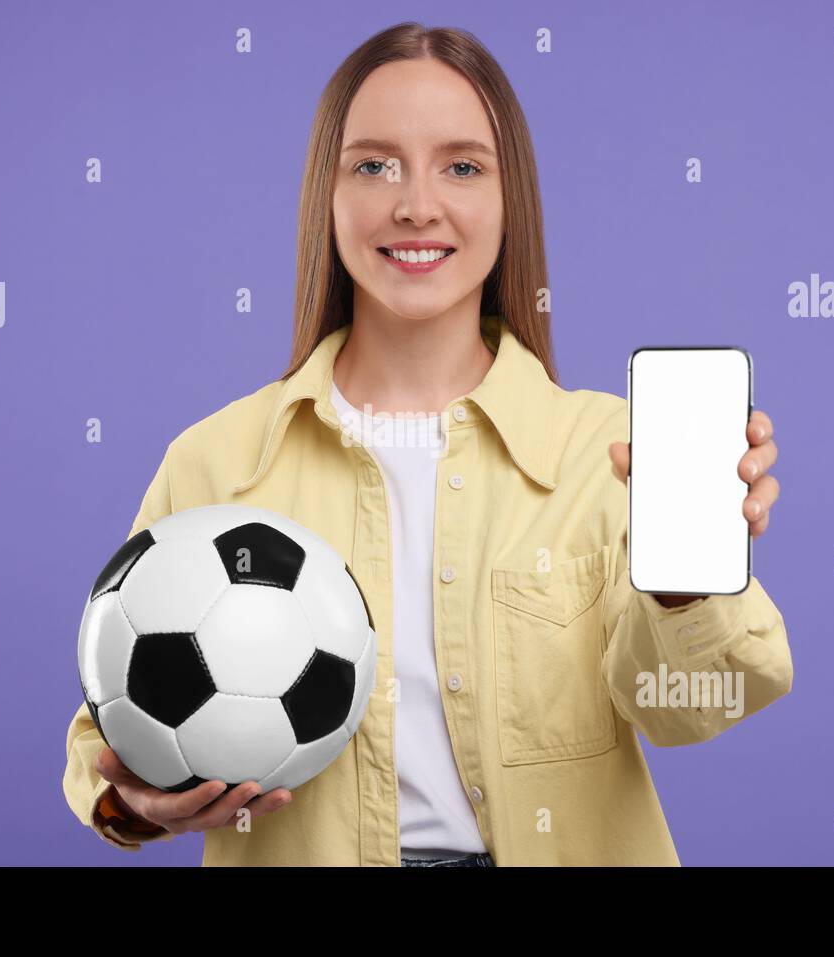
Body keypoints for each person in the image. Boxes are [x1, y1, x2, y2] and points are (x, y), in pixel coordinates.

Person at [62, 21, 790, 867]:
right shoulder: (216, 462)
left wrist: (684, 591)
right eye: (373, 164)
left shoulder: (615, 452)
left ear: (508, 196)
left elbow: (693, 709)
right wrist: (134, 803)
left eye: (463, 166)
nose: (416, 203)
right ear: (324, 197)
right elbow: (105, 734)